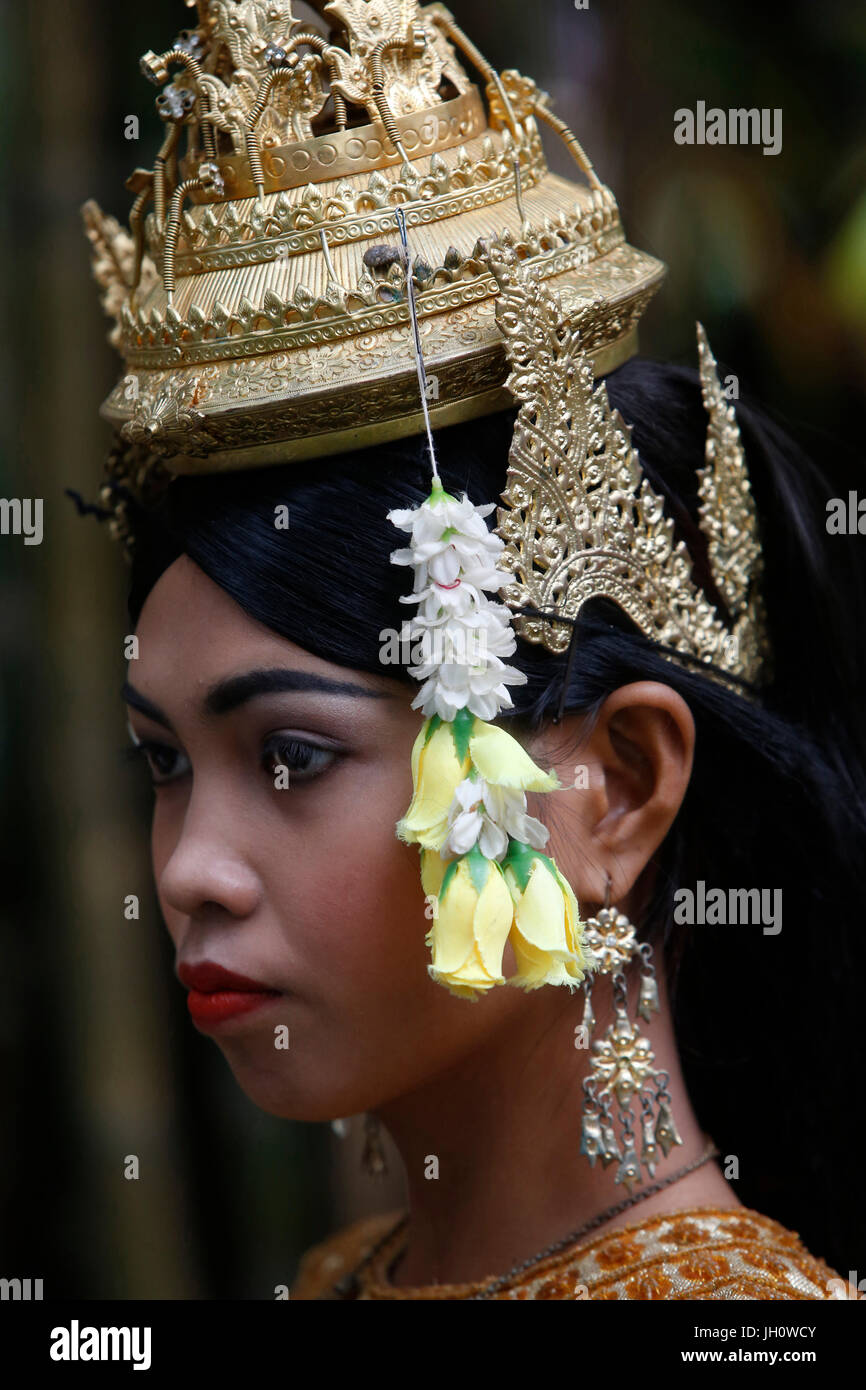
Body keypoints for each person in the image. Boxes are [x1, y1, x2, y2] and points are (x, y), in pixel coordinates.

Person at [78, 0, 865, 1300]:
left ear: (615, 784)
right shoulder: (346, 1274)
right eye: (161, 762)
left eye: (288, 752)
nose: (189, 872)